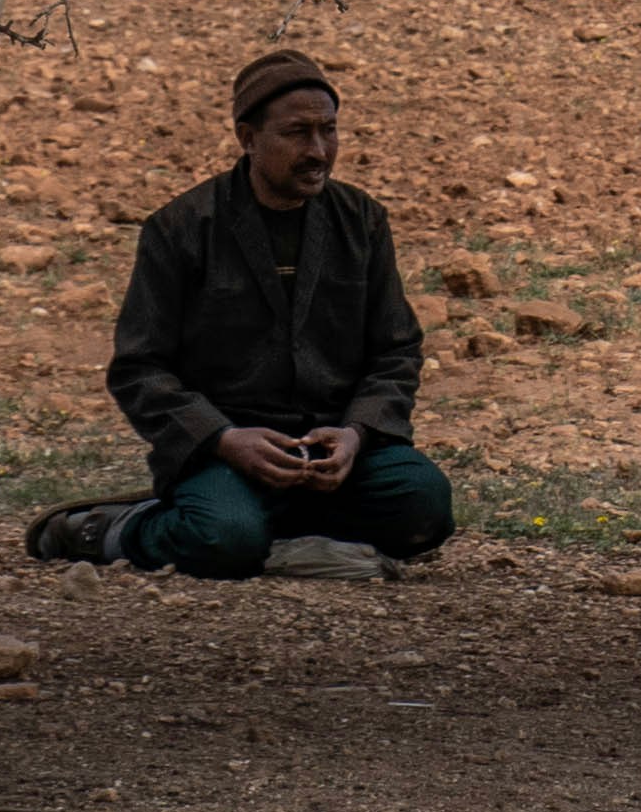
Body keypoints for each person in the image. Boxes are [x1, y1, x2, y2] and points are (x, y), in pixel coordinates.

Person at [25, 48, 447, 576]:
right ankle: (115, 529)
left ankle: (272, 532)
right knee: (224, 540)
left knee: (424, 507)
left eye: (329, 131)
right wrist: (225, 438)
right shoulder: (181, 228)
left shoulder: (361, 221)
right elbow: (140, 369)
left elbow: (396, 351)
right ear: (248, 139)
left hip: (334, 457)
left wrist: (356, 434)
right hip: (226, 454)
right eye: (297, 133)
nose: (318, 151)